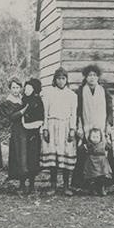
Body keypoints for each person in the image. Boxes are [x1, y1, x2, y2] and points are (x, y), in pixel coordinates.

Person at [72, 65, 114, 191]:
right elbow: (77, 111)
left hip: (101, 127)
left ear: (98, 77)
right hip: (85, 127)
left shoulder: (103, 91)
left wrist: (108, 125)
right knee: (85, 154)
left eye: (94, 75)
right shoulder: (80, 91)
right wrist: (79, 126)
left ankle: (102, 184)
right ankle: (85, 184)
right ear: (86, 77)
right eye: (89, 75)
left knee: (103, 154)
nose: (92, 78)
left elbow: (109, 109)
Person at [40, 67, 78, 196]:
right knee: (54, 158)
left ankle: (66, 186)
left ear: (66, 80)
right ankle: (53, 185)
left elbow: (73, 114)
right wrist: (45, 129)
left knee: (65, 155)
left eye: (63, 78)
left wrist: (72, 129)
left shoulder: (72, 95)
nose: (61, 81)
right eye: (58, 78)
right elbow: (45, 113)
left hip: (66, 126)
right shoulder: (49, 94)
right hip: (52, 125)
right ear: (54, 80)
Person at [0, 78, 26, 192]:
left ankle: (26, 181)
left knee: (25, 154)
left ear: (21, 88)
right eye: (13, 88)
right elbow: (11, 117)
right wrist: (23, 111)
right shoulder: (8, 102)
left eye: (17, 87)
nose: (15, 90)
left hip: (26, 128)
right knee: (19, 154)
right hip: (17, 129)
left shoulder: (23, 99)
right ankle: (20, 182)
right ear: (10, 89)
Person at [81, 128, 114, 196]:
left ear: (100, 137)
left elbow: (109, 147)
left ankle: (102, 188)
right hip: (92, 162)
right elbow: (82, 149)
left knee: (102, 176)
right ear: (89, 137)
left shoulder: (103, 144)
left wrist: (108, 140)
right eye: (93, 137)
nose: (95, 139)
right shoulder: (89, 145)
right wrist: (82, 144)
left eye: (97, 137)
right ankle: (93, 189)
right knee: (92, 176)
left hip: (101, 162)